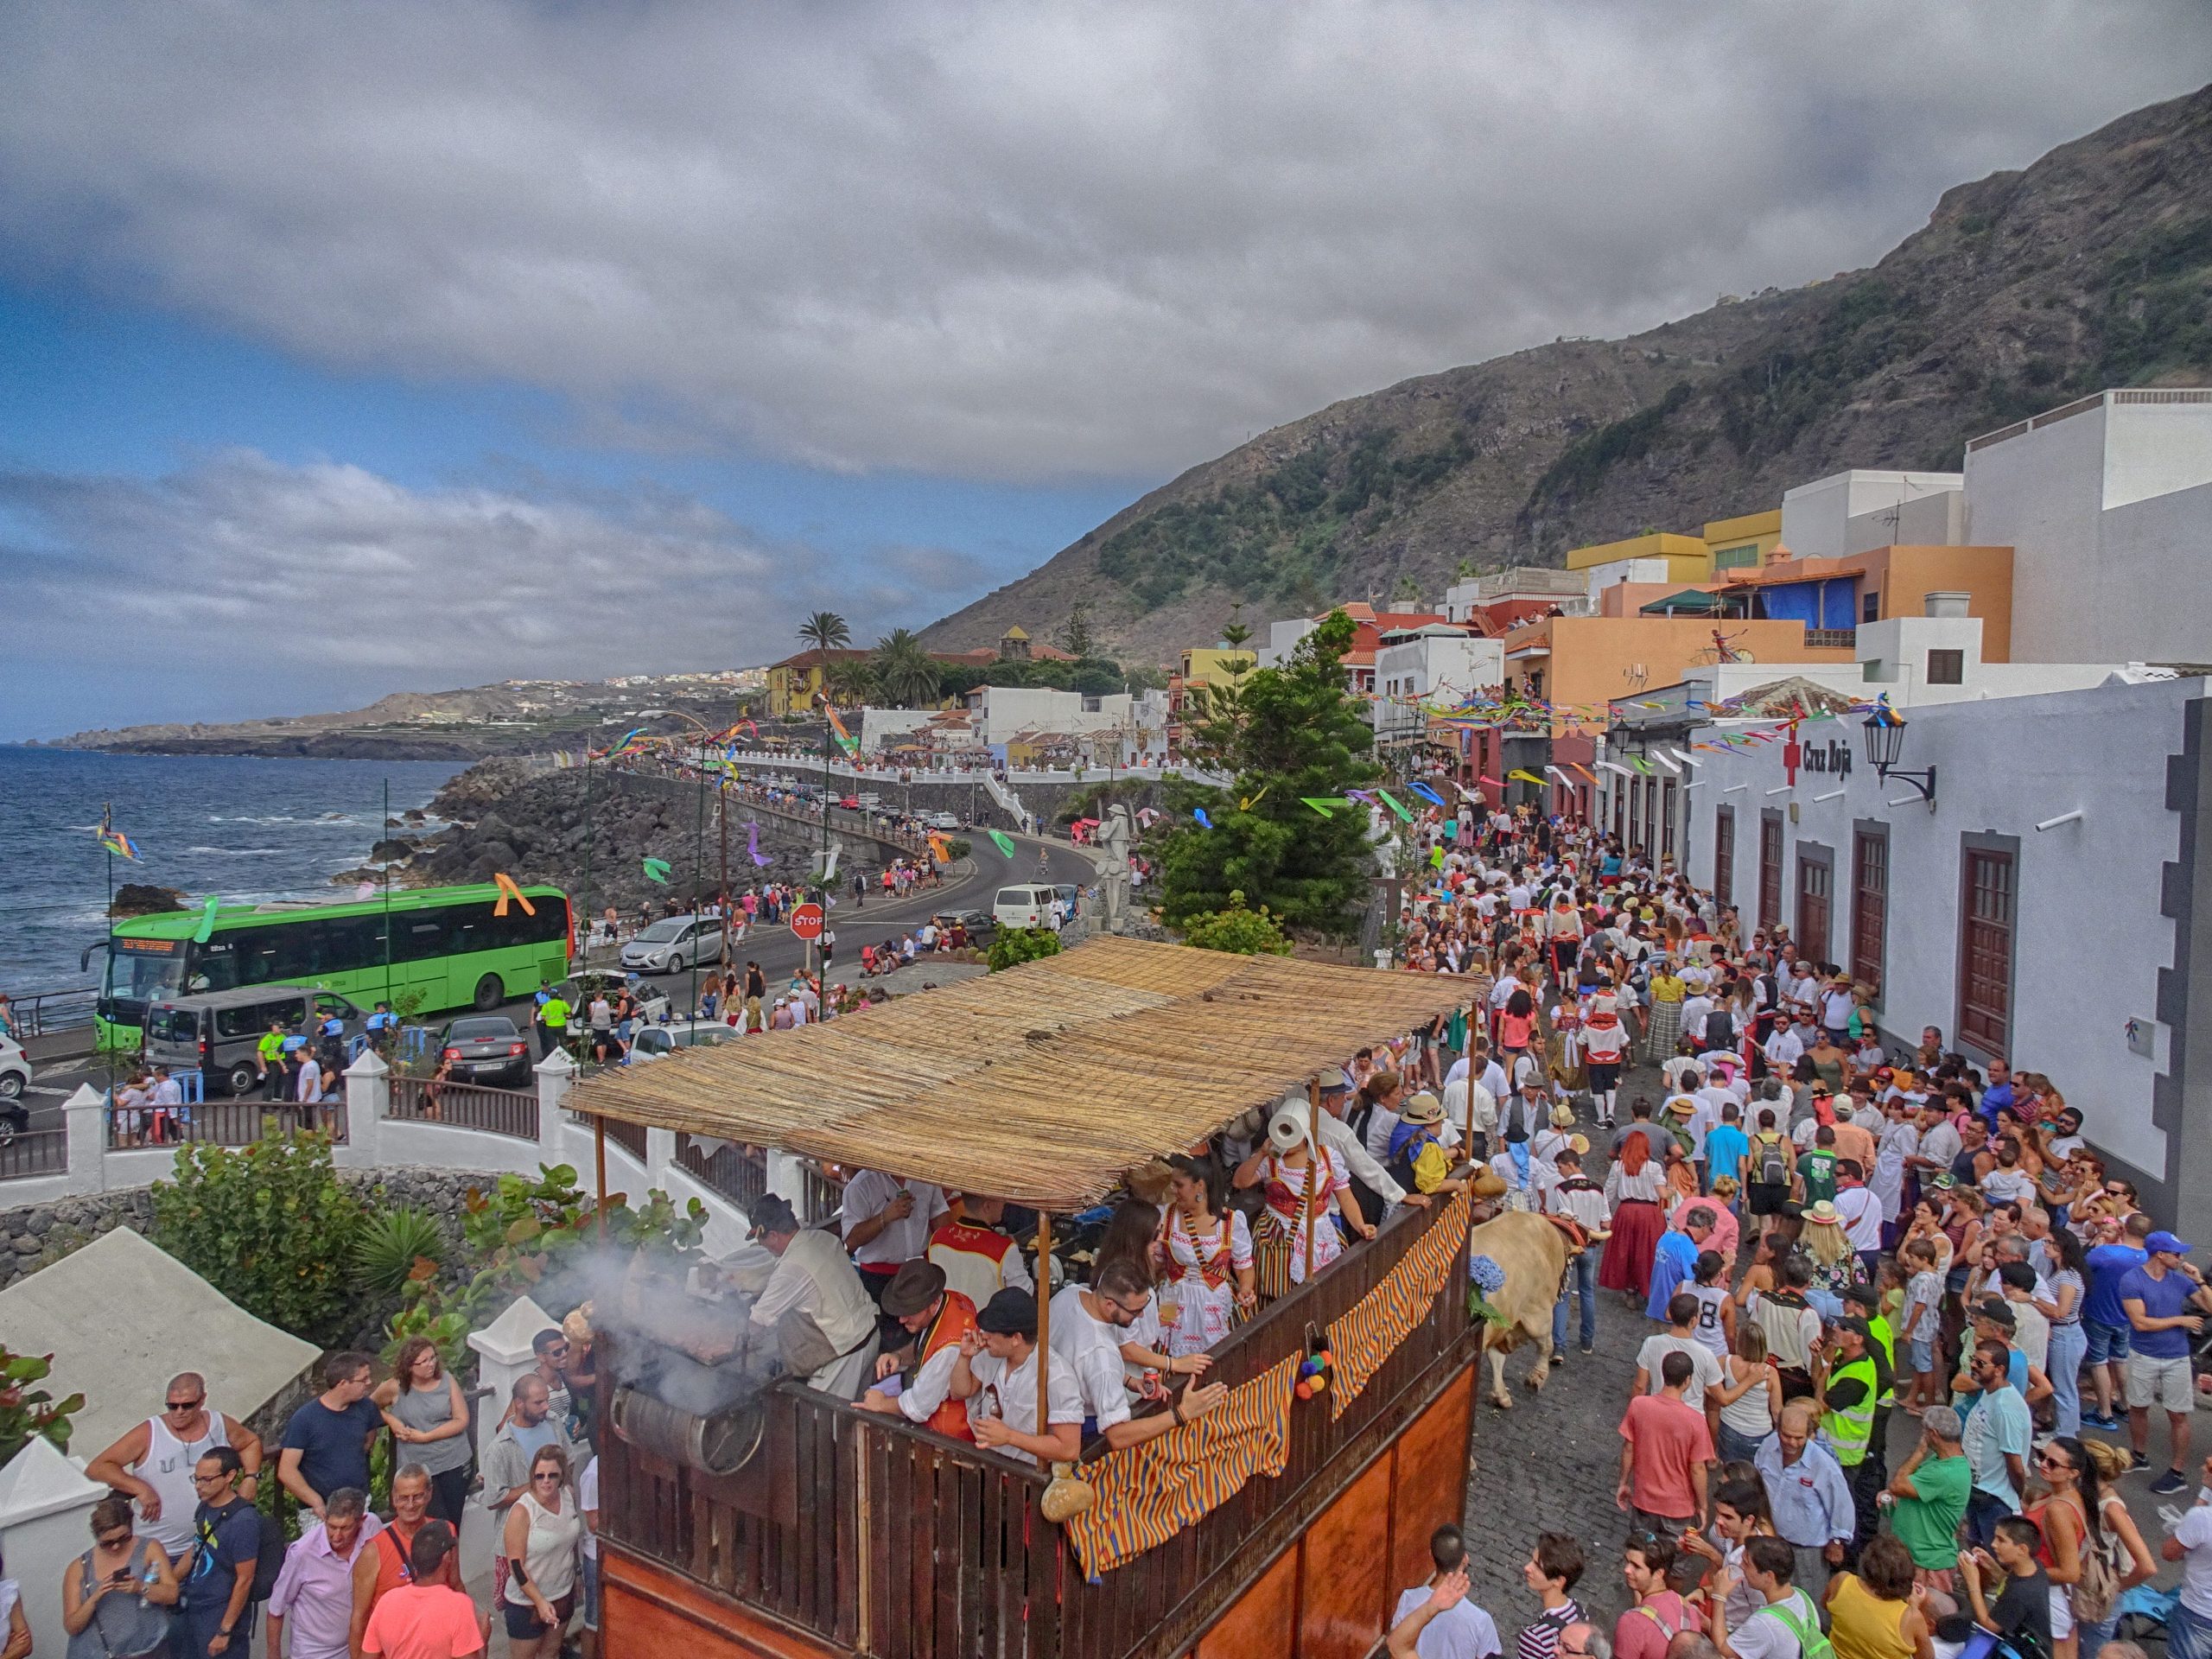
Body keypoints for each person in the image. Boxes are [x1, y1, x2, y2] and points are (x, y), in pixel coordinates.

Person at [85, 1373, 266, 1564]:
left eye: (187, 1405)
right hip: (159, 1549)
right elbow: (98, 1467)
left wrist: (251, 1477)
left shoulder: (220, 1424)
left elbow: (250, 1443)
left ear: (202, 1400)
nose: (179, 1411)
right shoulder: (150, 1432)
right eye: (172, 1406)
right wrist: (140, 1488)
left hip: (211, 1542)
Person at [1050, 1259, 1226, 1449]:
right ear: (1110, 1305)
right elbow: (1118, 1436)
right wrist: (1182, 1413)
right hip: (1082, 1432)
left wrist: (1128, 1381)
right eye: (1135, 1311)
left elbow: (1078, 1361)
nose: (1141, 1316)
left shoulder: (1069, 1295)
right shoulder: (1102, 1357)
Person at [745, 1194, 880, 1398]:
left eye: (761, 1240)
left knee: (825, 1423)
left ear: (772, 1235)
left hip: (844, 1355)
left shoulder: (791, 1269)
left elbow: (758, 1321)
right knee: (856, 1414)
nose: (763, 1246)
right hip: (869, 1334)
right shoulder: (822, 1237)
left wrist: (737, 1338)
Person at [942, 1287, 1085, 1466]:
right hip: (989, 1466)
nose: (984, 1336)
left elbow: (1069, 1449)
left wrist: (1009, 1437)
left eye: (992, 1332)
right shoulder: (990, 1355)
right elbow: (960, 1392)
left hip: (1029, 1477)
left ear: (1016, 1338)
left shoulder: (1057, 1375)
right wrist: (965, 1357)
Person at [2118, 1229, 2212, 1496]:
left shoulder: (2180, 1281)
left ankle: (2177, 1471)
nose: (2181, 1257)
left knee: (2178, 1415)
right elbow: (2140, 1322)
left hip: (2176, 1357)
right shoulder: (2132, 1280)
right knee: (2137, 1406)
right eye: (2176, 1253)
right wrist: (2180, 1320)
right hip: (2143, 1354)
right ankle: (2139, 1455)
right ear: (2160, 1254)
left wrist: (2201, 1282)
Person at [857, 1259, 981, 1443]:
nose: (901, 1320)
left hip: (948, 1438)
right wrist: (899, 1355)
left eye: (910, 1312)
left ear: (933, 1303)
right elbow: (925, 1342)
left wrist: (881, 1403)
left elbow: (918, 1407)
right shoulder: (950, 1299)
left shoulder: (950, 1348)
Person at [370, 1338, 475, 1528]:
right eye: (424, 1361)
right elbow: (369, 1407)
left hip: (455, 1461)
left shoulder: (447, 1379)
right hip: (419, 1468)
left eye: (433, 1358)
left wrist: (426, 1437)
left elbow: (461, 1420)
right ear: (410, 1366)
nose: (431, 1364)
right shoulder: (394, 1387)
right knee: (432, 1522)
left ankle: (452, 1556)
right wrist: (391, 1420)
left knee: (453, 1522)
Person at [1752, 1402, 1853, 1599]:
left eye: (1799, 1438)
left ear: (1809, 1434)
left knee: (1808, 1598)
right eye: (1786, 1435)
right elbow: (1757, 1481)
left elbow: (1841, 1504)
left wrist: (1837, 1541)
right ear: (1777, 1428)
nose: (1791, 1442)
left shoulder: (1823, 1465)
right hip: (1772, 1541)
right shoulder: (1768, 1447)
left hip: (1807, 1551)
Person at [1160, 1155, 1258, 1356]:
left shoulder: (1231, 1222)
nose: (1172, 1189)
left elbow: (1244, 1265)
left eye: (1179, 1185)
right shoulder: (1165, 1216)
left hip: (1213, 1303)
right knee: (1167, 1352)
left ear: (1200, 1186)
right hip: (1172, 1299)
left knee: (1215, 1357)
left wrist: (1246, 1289)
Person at [60, 1492, 179, 1658]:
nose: (116, 1546)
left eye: (124, 1538)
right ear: (97, 1537)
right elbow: (72, 1627)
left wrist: (141, 1588)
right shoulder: (78, 1568)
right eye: (107, 1543)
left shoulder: (149, 1548)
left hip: (147, 1650)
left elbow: (172, 1595)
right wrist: (95, 1597)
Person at [264, 1486, 377, 1659]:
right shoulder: (302, 1552)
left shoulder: (372, 1527)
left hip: (360, 1647)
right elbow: (276, 1609)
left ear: (361, 1521)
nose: (336, 1536)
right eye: (331, 1527)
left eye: (345, 1528)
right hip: (314, 1654)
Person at [177, 1446, 264, 1659]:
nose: (199, 1486)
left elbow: (245, 1579)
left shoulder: (243, 1521)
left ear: (230, 1476)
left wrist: (224, 1631)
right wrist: (171, 1581)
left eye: (207, 1480)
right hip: (195, 1605)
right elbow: (198, 1545)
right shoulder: (205, 1507)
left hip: (219, 1610)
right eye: (196, 1479)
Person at [1618, 1351, 1715, 1538]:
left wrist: (1623, 1482)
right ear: (1687, 1381)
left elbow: (1628, 1448)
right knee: (1676, 1563)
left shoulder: (1638, 1405)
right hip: (1679, 1509)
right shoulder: (1696, 1422)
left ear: (1663, 1374)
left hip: (1645, 1502)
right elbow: (1697, 1469)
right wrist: (1702, 1505)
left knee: (1641, 1557)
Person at [359, 1522, 490, 1659]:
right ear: (447, 1557)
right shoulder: (459, 1605)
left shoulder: (386, 1601)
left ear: (413, 1559)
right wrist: (483, 1638)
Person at [277, 1351, 381, 1521]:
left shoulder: (367, 1408)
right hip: (319, 1510)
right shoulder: (305, 1419)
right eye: (363, 1379)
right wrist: (315, 1502)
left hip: (360, 1502)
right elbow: (287, 1470)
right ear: (343, 1383)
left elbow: (369, 1439)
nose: (369, 1383)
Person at [501, 1445, 582, 1659]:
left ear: (562, 1476)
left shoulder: (567, 1496)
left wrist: (578, 1573)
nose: (546, 1481)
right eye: (540, 1476)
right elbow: (516, 1566)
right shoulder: (522, 1511)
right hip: (527, 1604)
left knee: (551, 1652)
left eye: (552, 1475)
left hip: (563, 1593)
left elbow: (571, 1539)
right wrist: (539, 1601)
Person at [351, 1465, 438, 1658]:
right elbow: (360, 1618)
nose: (410, 1504)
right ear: (393, 1498)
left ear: (429, 1494)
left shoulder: (445, 1534)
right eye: (403, 1498)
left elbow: (455, 1586)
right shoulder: (374, 1551)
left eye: (417, 1496)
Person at [1882, 1406, 1971, 1591]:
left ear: (1934, 1433)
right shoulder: (1941, 1461)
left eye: (1924, 1430)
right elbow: (1907, 1489)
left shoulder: (1945, 1473)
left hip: (1927, 1564)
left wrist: (1919, 1452)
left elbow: (1898, 1485)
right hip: (1917, 1557)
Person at [2082, 1212, 2153, 1431]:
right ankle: (2124, 1404)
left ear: (2123, 1229)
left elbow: (2082, 1268)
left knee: (2098, 1362)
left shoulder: (2105, 1253)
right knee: (2120, 1360)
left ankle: (2105, 1413)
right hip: (2128, 1318)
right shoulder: (2149, 1258)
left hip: (2099, 1314)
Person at [1958, 1340, 2031, 1547]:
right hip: (1976, 1490)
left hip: (1995, 1499)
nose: (1973, 1366)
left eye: (1980, 1363)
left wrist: (2018, 1496)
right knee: (1976, 1547)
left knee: (1993, 1556)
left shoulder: (2005, 1409)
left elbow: (2015, 1463)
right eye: (1974, 1360)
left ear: (1999, 1370)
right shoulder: (1989, 1394)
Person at [1389, 1527, 1501, 1659]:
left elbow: (1396, 1647)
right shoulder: (1481, 1621)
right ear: (1465, 1559)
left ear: (1431, 1555)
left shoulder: (1408, 1599)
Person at [1707, 1535, 1823, 1659]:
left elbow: (1723, 1648)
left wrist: (1719, 1596)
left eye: (1746, 1563)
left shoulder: (1764, 1622)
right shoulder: (1803, 1597)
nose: (1741, 1566)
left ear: (1769, 1576)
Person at [1821, 1534, 1932, 1659]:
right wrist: (1915, 1606)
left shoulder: (1841, 1581)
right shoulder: (1910, 1617)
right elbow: (1926, 1657)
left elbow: (1824, 1604)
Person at [1958, 1519, 2052, 1659]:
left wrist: (1973, 1582)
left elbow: (1989, 1626)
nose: (1993, 1544)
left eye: (2001, 1540)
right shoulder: (2033, 1567)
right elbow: (2010, 1582)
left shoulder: (2020, 1594)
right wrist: (1992, 1566)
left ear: (2022, 1549)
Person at [1614, 1532, 1699, 1659]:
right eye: (1628, 1562)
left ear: (1659, 1574)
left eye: (1636, 1566)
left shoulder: (1631, 1623)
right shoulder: (1687, 1607)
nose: (1627, 1569)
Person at [1716, 1326, 1783, 1465]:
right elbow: (1777, 1411)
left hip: (1729, 1425)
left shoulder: (1725, 1362)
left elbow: (1710, 1386)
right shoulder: (1770, 1373)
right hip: (1758, 1431)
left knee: (1730, 1469)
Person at [1516, 1534, 1587, 1659]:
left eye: (1537, 1567)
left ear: (1559, 1581)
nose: (1527, 1568)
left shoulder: (1534, 1639)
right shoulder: (1580, 1612)